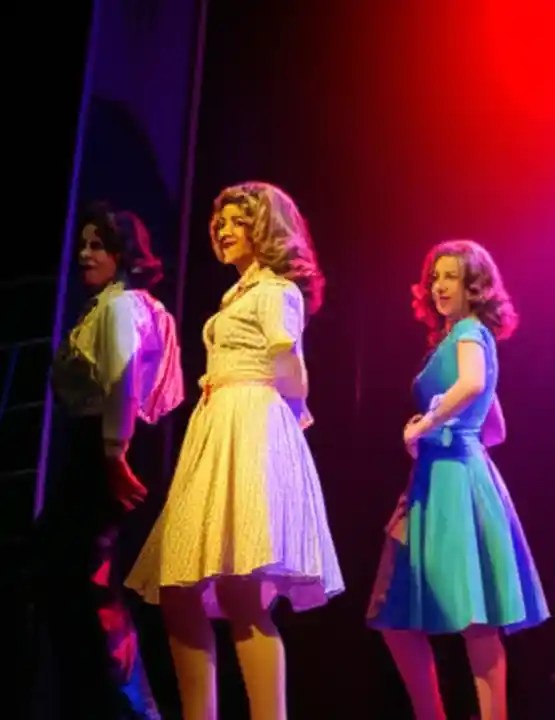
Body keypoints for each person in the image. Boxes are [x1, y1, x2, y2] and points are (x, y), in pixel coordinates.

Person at [126, 182, 344, 720]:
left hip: (247, 425)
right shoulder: (242, 292)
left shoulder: (274, 290)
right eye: (218, 222)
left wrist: (275, 421)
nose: (222, 230)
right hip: (219, 423)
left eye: (236, 221)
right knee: (179, 588)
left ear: (265, 227)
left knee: (240, 591)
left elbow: (292, 371)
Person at [367, 239, 548, 720]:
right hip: (444, 472)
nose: (440, 286)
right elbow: (497, 426)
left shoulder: (469, 330)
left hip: (452, 475)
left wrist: (425, 426)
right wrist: (454, 428)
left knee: (472, 616)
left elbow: (470, 386)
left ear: (475, 286)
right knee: (400, 613)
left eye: (452, 277)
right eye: (435, 278)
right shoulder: (454, 340)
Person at [41, 203, 183, 719]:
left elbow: (124, 382)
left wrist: (113, 454)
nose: (84, 254)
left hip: (99, 450)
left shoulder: (122, 306)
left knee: (84, 583)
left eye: (97, 244)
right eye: (83, 244)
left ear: (122, 253)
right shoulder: (115, 305)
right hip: (92, 448)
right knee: (74, 583)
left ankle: (126, 708)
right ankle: (104, 702)